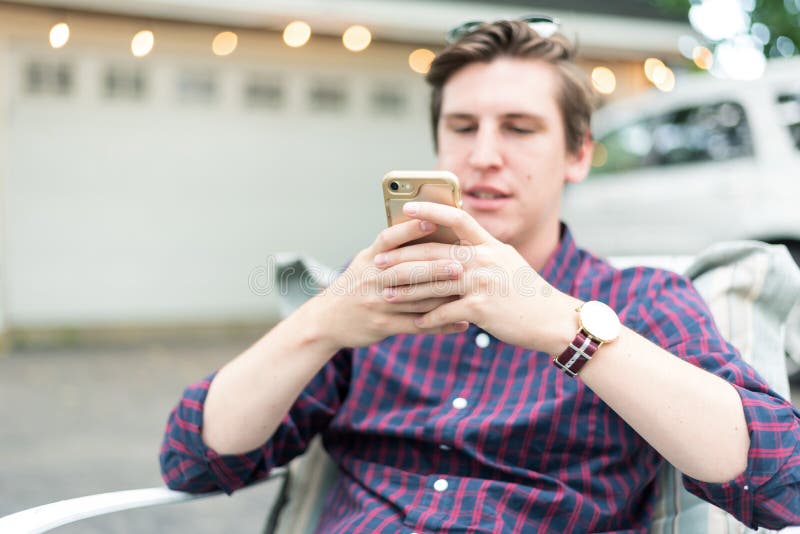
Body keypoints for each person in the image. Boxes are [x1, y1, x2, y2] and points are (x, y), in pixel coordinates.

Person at [160, 18, 800, 532]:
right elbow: (193, 462)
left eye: (520, 129)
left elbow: (780, 481)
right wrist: (320, 322)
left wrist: (566, 329)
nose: (484, 155)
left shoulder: (641, 302)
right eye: (462, 127)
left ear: (577, 154)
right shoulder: (371, 301)